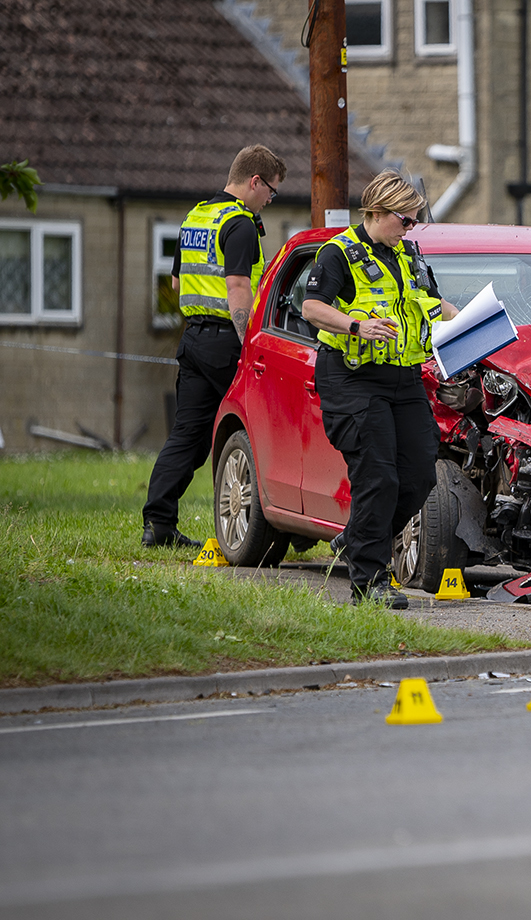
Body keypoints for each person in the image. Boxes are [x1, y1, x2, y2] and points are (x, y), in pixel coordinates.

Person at [300, 171, 460, 608]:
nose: (410, 230)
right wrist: (357, 325)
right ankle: (369, 584)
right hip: (352, 378)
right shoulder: (339, 254)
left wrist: (465, 317)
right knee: (378, 477)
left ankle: (355, 538)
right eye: (404, 221)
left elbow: (432, 300)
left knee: (420, 472)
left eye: (413, 222)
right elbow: (311, 306)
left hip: (404, 378)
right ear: (376, 212)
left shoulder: (407, 253)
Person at [141, 145, 286, 547]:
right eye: (271, 191)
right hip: (228, 341)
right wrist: (250, 345)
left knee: (187, 435)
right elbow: (238, 287)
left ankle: (158, 524)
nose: (270, 201)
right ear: (254, 182)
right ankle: (271, 526)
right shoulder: (240, 223)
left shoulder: (197, 216)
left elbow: (176, 283)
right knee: (263, 427)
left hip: (193, 340)